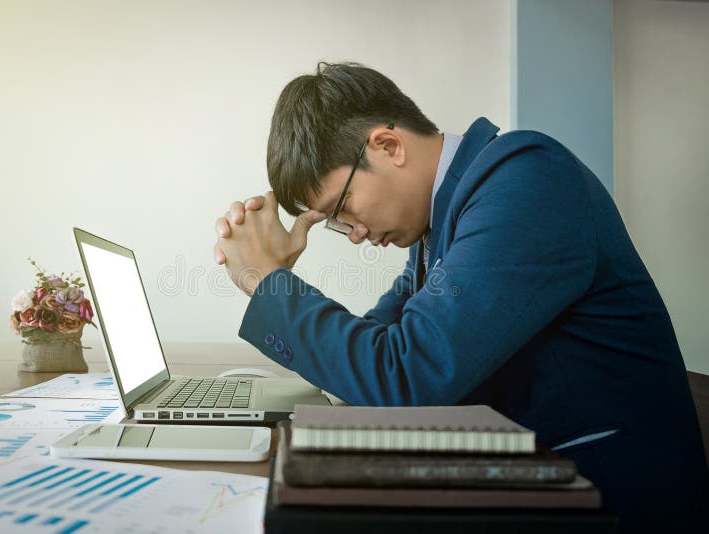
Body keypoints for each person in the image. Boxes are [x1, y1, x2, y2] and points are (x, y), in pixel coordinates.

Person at [213, 62, 707, 533]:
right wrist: (276, 286)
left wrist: (267, 282)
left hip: (614, 502)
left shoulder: (526, 179)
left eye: (341, 211)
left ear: (387, 145)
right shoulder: (444, 222)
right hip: (534, 483)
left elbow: (404, 377)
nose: (355, 235)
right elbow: (378, 356)